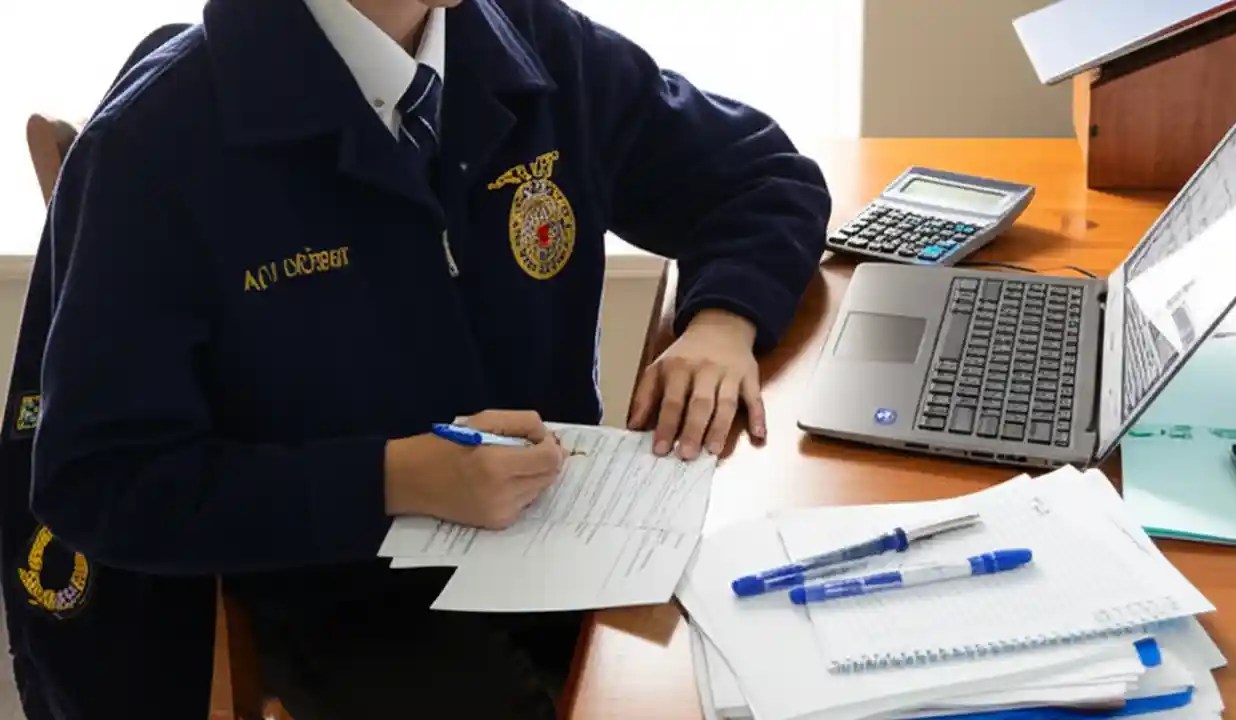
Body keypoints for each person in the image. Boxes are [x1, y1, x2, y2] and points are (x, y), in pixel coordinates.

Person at [30, 0, 830, 717]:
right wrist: (390, 478)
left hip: (567, 530)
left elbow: (764, 177)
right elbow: (99, 480)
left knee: (764, 662)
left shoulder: (535, 41)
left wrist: (721, 321)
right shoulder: (153, 144)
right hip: (343, 583)